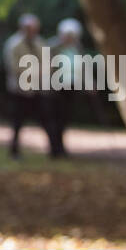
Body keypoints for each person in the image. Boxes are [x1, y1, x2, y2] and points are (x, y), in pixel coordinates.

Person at [3, 13, 63, 158]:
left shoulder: (39, 42)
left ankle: (55, 151)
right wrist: (35, 70)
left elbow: (48, 63)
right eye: (30, 28)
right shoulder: (14, 44)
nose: (33, 31)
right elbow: (14, 67)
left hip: (38, 88)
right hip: (19, 90)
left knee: (47, 120)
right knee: (17, 123)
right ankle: (14, 151)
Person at [46, 17, 86, 154]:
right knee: (55, 118)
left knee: (64, 118)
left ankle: (61, 147)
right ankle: (55, 148)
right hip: (56, 87)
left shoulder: (77, 47)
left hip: (71, 86)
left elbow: (81, 67)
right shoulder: (52, 46)